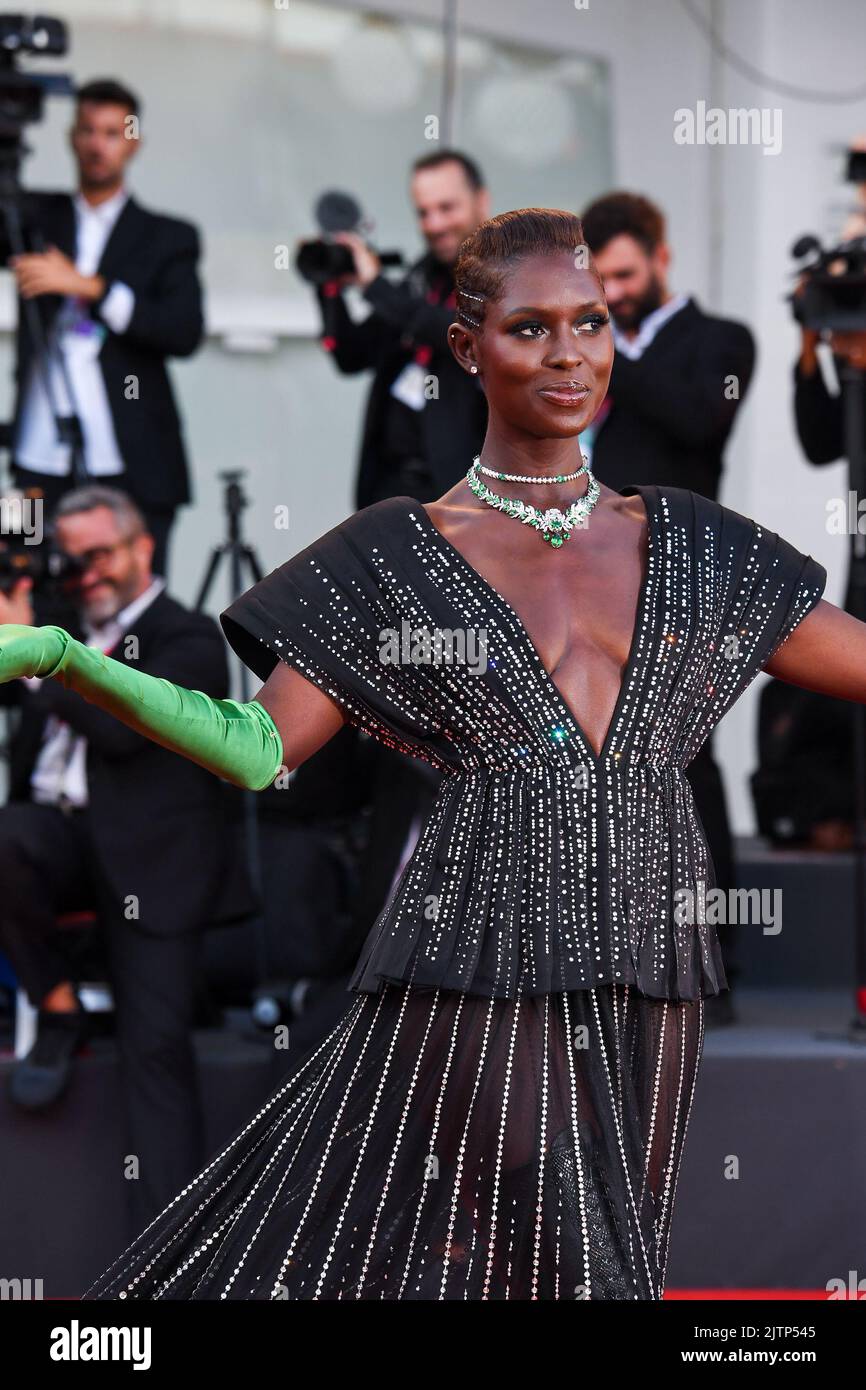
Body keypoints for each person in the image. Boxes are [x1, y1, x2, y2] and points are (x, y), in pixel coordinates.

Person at [0, 208, 848, 1301]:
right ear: (465, 348)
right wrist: (71, 656)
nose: (568, 355)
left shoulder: (688, 538)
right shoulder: (397, 550)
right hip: (477, 952)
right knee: (565, 1258)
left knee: (606, 1254)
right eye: (530, 328)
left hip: (655, 947)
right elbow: (256, 748)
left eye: (589, 323)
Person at [0, 485, 229, 1234]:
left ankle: (171, 1259)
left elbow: (127, 730)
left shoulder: (189, 637)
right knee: (8, 835)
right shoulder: (52, 628)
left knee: (155, 1056)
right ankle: (57, 1005)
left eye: (100, 555)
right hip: (56, 844)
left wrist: (40, 653)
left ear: (143, 548)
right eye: (73, 561)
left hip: (152, 870)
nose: (86, 574)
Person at [580, 191, 757, 1021]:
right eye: (599, 282)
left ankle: (710, 959)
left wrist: (606, 348)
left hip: (687, 572)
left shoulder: (718, 341)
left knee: (689, 763)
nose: (610, 293)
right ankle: (623, 956)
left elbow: (701, 420)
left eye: (622, 274)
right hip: (594, 577)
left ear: (661, 254)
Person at [4, 79, 204, 578]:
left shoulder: (167, 236)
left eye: (112, 133)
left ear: (133, 142)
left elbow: (183, 332)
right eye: (88, 131)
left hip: (129, 455)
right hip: (38, 450)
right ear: (72, 138)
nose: (98, 144)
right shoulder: (35, 217)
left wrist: (92, 288)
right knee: (29, 577)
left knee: (125, 591)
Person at [314, 148, 490, 507]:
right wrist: (329, 283)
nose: (434, 224)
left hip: (463, 494)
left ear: (481, 201)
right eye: (423, 213)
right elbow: (352, 356)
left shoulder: (505, 275)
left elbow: (467, 336)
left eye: (446, 208)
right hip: (391, 489)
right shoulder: (420, 278)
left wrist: (378, 288)